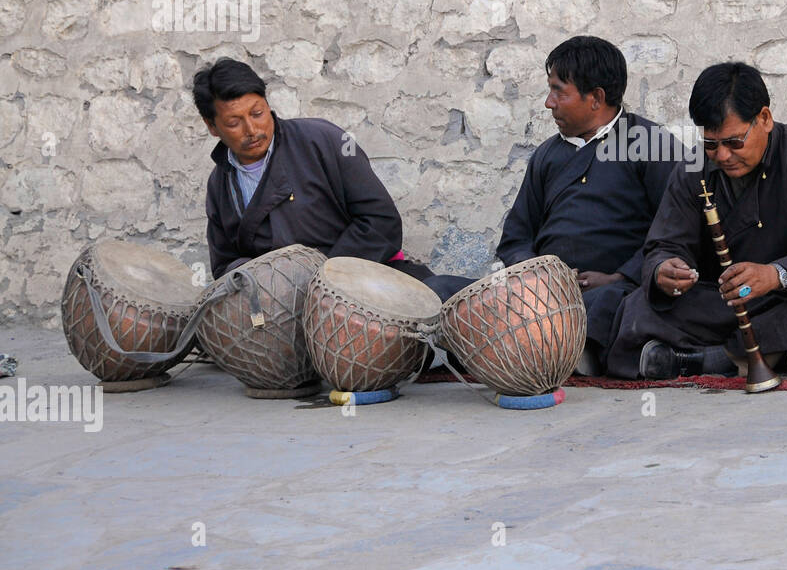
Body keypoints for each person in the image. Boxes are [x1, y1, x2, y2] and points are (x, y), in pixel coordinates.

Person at [426, 36, 687, 374]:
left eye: (559, 92)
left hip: (610, 288)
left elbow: (677, 232)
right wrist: (541, 276)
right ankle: (521, 346)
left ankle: (553, 352)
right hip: (539, 292)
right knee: (441, 291)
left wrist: (619, 275)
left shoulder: (652, 146)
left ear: (596, 98)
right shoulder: (548, 154)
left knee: (611, 305)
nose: (549, 103)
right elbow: (517, 238)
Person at [606, 62, 787, 380]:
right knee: (638, 304)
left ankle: (708, 360)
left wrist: (776, 275)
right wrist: (666, 269)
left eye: (734, 142)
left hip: (784, 297)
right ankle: (780, 352)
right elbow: (665, 243)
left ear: (764, 119)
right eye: (711, 144)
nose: (721, 156)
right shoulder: (694, 167)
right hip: (718, 301)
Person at [194, 58, 429, 281]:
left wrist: (325, 276)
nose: (252, 129)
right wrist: (266, 281)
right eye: (234, 123)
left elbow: (381, 221)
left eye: (257, 113)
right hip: (279, 305)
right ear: (212, 126)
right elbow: (224, 265)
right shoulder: (220, 185)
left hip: (358, 280)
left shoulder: (323, 141)